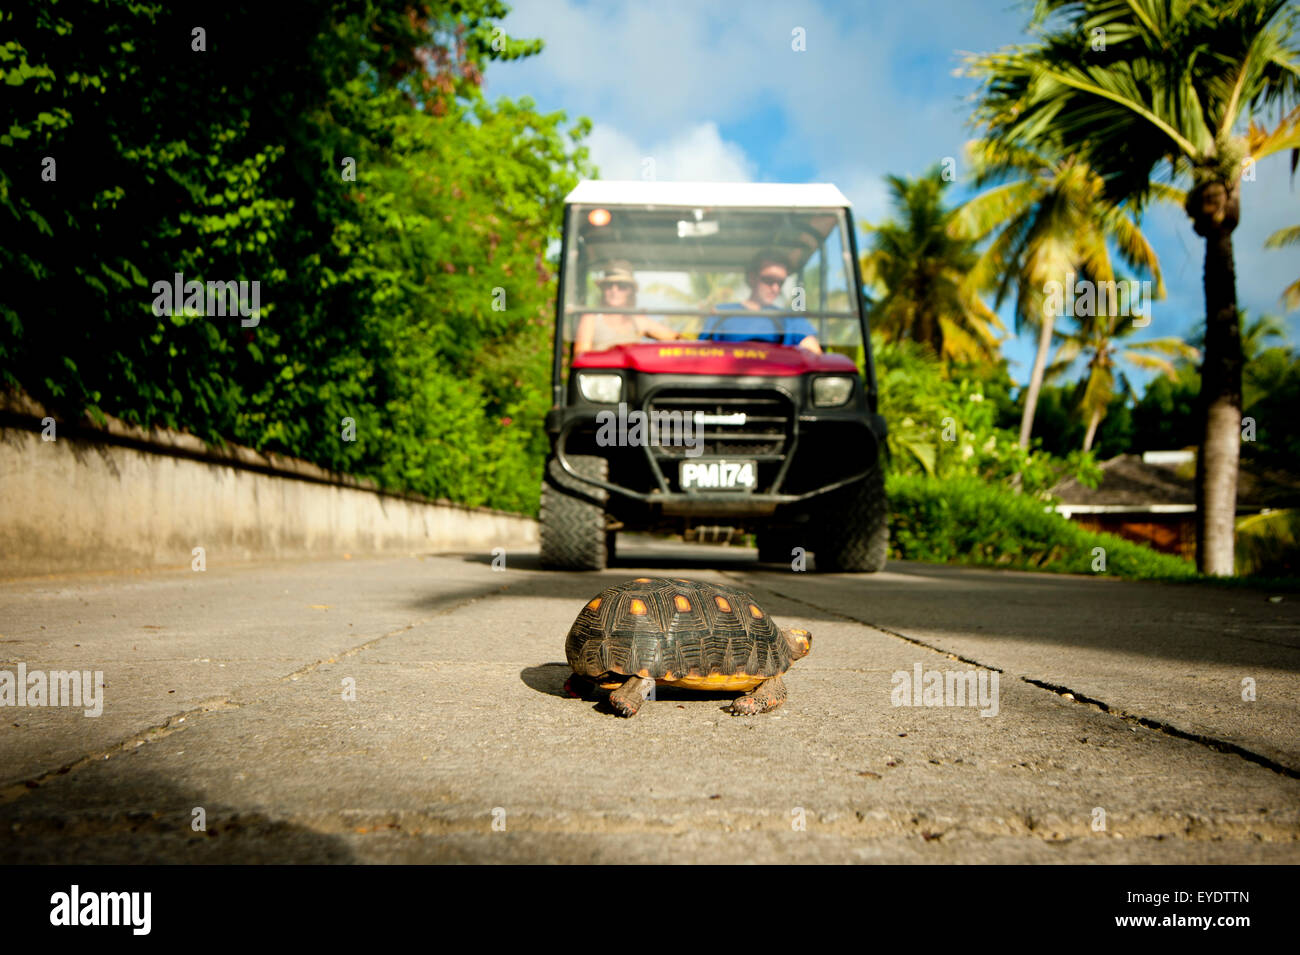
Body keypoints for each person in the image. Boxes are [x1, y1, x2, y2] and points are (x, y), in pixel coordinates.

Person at [699, 250, 821, 352]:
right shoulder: (720, 313)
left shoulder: (790, 318)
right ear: (752, 278)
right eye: (769, 280)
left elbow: (813, 352)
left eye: (780, 282)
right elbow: (704, 352)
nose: (775, 288)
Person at [573, 260, 681, 356]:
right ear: (603, 289)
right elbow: (581, 355)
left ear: (630, 291)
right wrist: (612, 353)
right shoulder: (591, 318)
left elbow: (677, 340)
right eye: (609, 285)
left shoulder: (638, 321)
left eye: (621, 286)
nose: (614, 290)